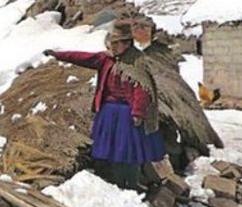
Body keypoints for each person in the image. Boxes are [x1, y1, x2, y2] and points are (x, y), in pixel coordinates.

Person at [44, 21, 165, 190]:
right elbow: (82, 57)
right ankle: (114, 184)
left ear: (127, 43)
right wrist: (58, 55)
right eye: (111, 43)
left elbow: (142, 90)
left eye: (116, 43)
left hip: (126, 114)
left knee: (127, 152)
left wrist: (138, 112)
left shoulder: (137, 63)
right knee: (111, 151)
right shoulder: (106, 59)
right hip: (108, 112)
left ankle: (130, 186)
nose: (112, 46)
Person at [128, 15, 223, 169]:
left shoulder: (161, 52)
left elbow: (170, 73)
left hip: (172, 96)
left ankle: (188, 150)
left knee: (181, 121)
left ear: (151, 31)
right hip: (146, 101)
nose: (141, 32)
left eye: (145, 28)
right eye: (137, 28)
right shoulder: (129, 51)